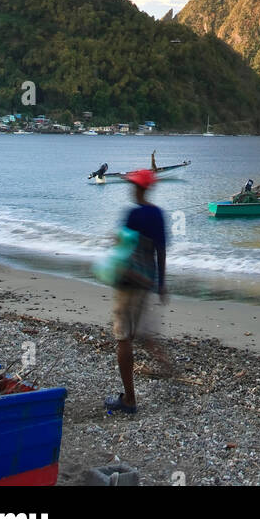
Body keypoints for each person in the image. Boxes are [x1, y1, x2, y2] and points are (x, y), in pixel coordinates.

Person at [105, 168, 169, 414]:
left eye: (133, 185)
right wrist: (161, 283)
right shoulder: (157, 215)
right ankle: (166, 365)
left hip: (127, 281)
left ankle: (129, 400)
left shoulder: (132, 215)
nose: (131, 188)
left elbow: (121, 248)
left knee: (123, 338)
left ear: (138, 188)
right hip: (146, 282)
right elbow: (161, 250)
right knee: (139, 333)